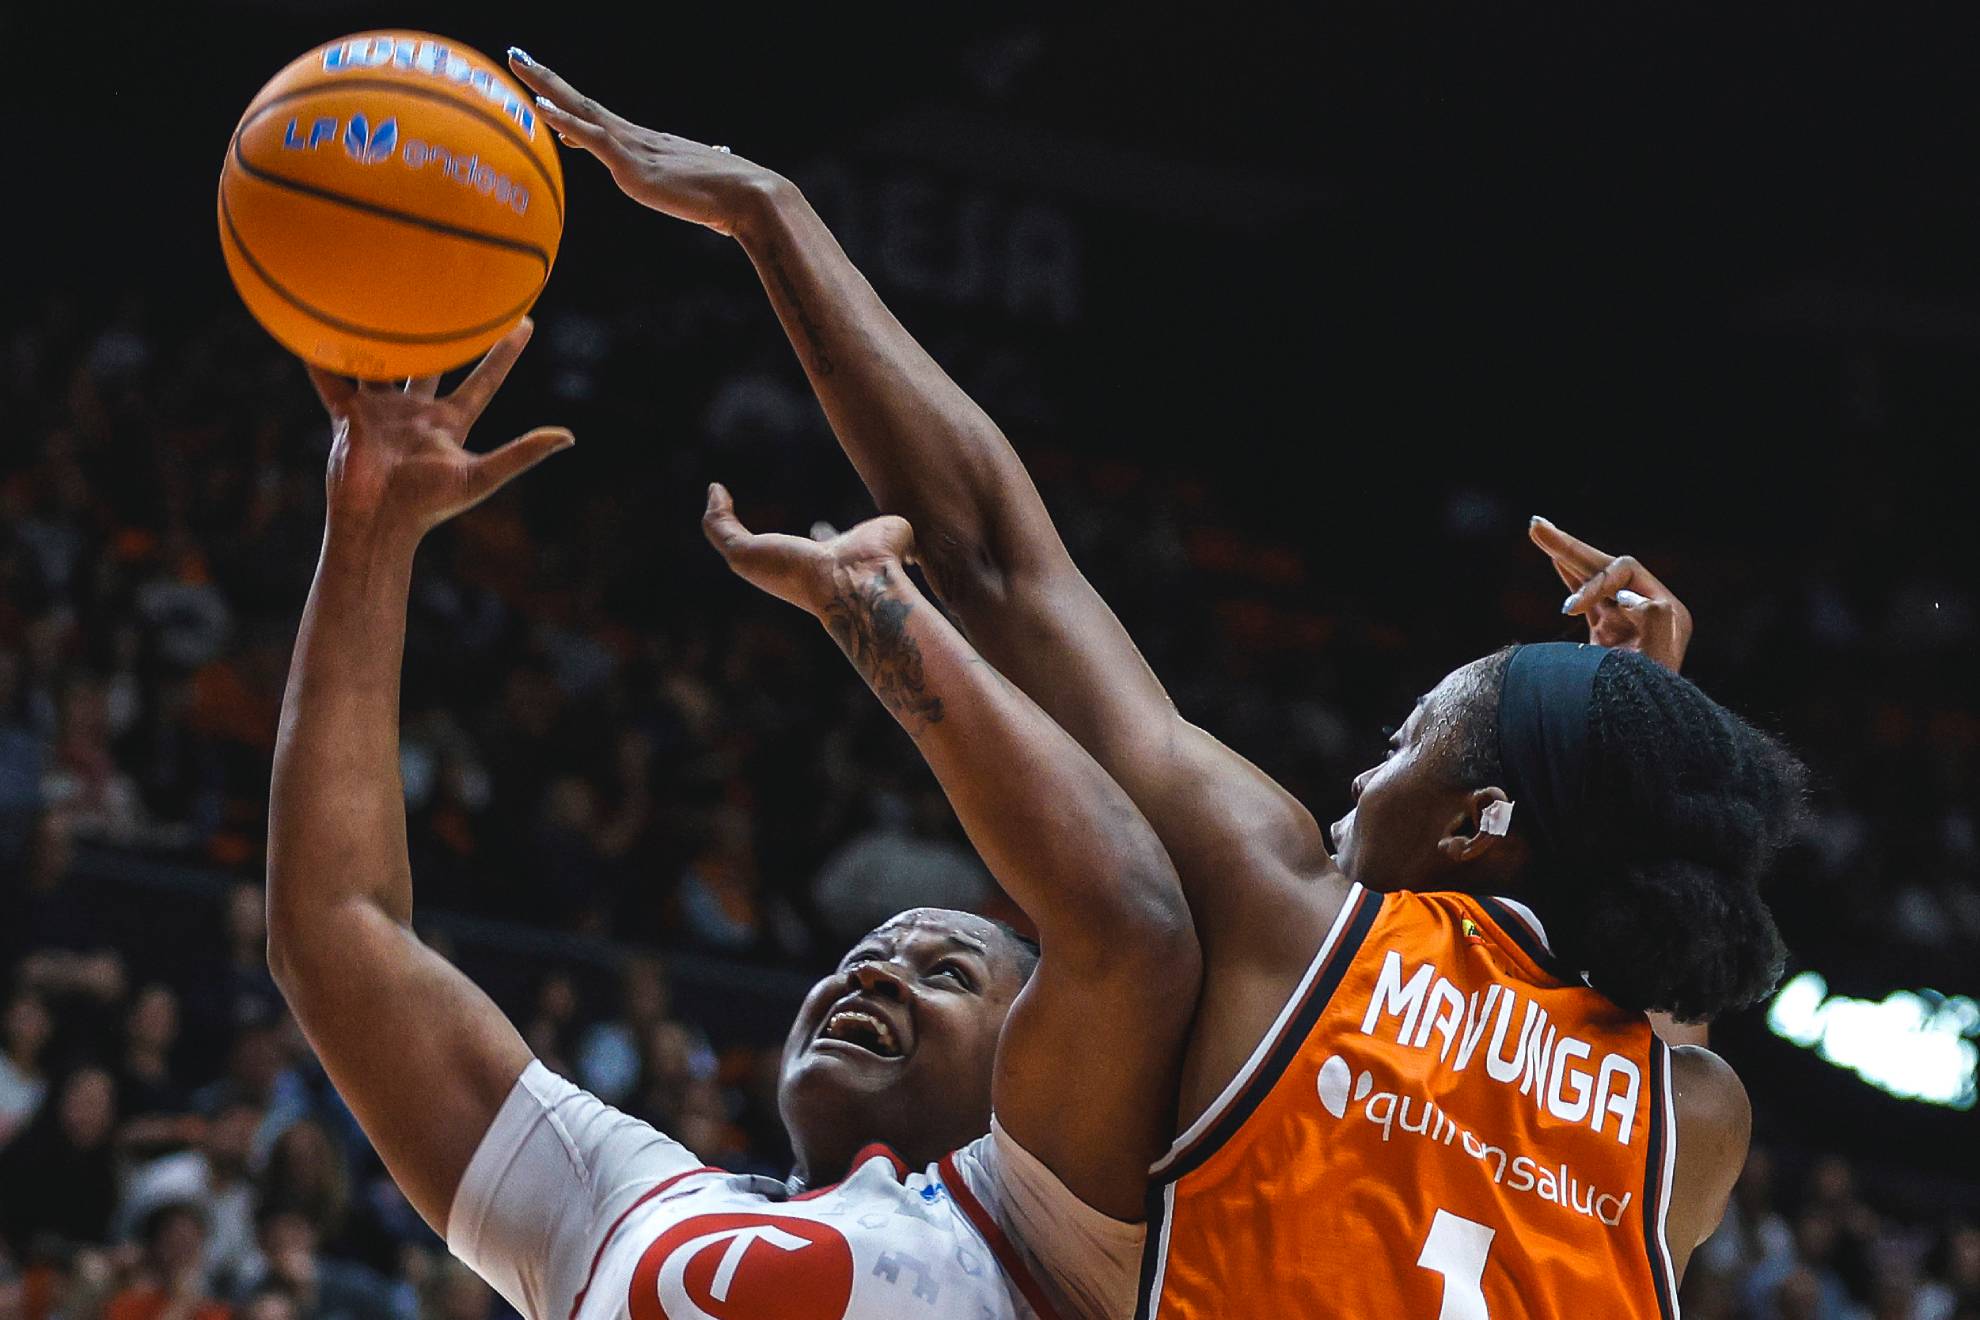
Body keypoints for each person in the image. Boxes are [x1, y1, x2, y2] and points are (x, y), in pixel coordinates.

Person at [513, 55, 1810, 1317]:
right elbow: (1653, 974)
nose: (1364, 773)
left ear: (1478, 825)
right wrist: (1640, 745)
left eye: (1409, 742)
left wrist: (771, 216)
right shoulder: (1692, 1125)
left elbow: (996, 564)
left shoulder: (1295, 926)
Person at [265, 323, 1196, 1318]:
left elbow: (1130, 921)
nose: (873, 971)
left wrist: (876, 612)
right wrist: (365, 530)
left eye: (950, 974)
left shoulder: (1054, 1236)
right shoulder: (619, 1200)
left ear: (1035, 1061)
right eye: (868, 955)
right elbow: (338, 933)